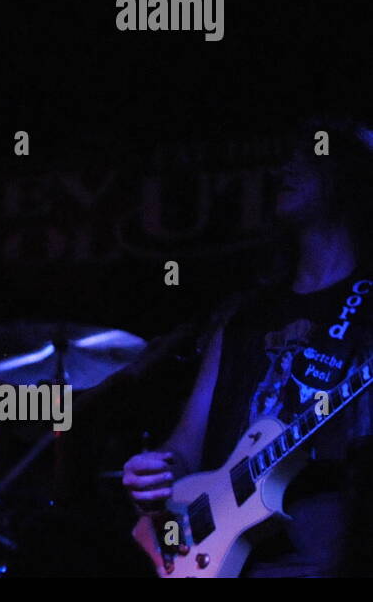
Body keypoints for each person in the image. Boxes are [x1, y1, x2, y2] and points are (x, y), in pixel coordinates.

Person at [123, 119, 373, 577]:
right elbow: (187, 447)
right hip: (221, 553)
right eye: (287, 158)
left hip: (324, 551)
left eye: (310, 156)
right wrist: (156, 475)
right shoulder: (243, 317)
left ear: (351, 174)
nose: (285, 169)